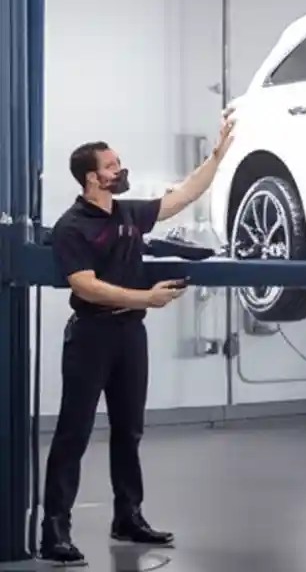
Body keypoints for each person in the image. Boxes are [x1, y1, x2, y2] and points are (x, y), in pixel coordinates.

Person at [39, 112, 235, 565]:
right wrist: (145, 297)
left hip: (130, 335)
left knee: (129, 429)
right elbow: (85, 284)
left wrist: (218, 155)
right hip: (92, 335)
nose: (120, 171)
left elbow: (182, 195)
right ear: (93, 178)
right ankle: (55, 532)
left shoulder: (129, 212)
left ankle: (128, 517)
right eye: (113, 166)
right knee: (74, 432)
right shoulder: (73, 226)